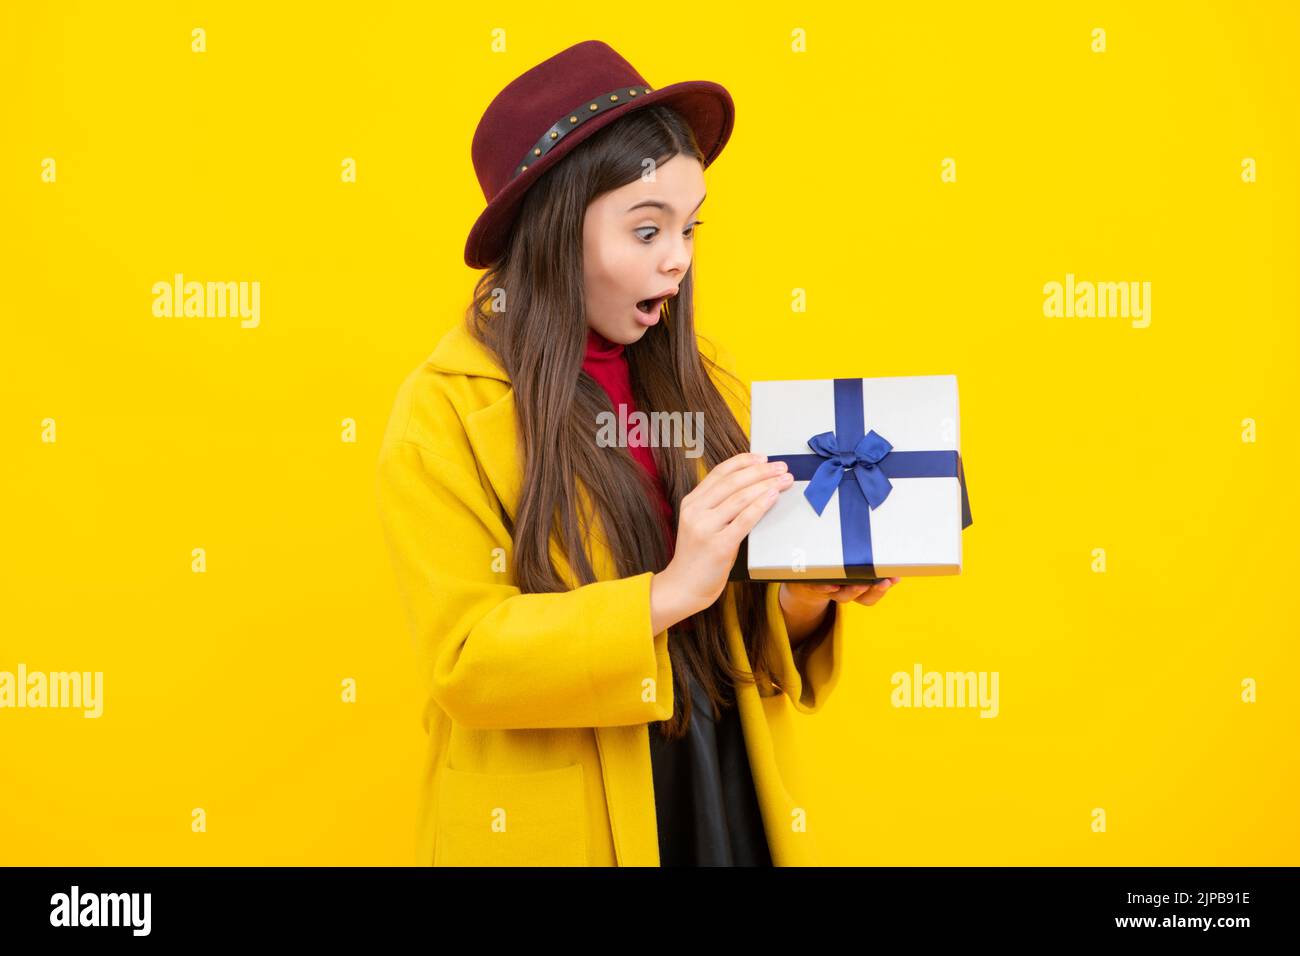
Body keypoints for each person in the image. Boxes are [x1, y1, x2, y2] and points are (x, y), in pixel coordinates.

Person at [375, 40, 898, 867]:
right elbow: (466, 662)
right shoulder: (445, 413)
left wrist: (804, 595)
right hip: (566, 818)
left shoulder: (705, 382)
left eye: (688, 228)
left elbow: (738, 631)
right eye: (647, 229)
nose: (678, 258)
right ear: (552, 232)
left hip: (719, 785)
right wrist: (665, 593)